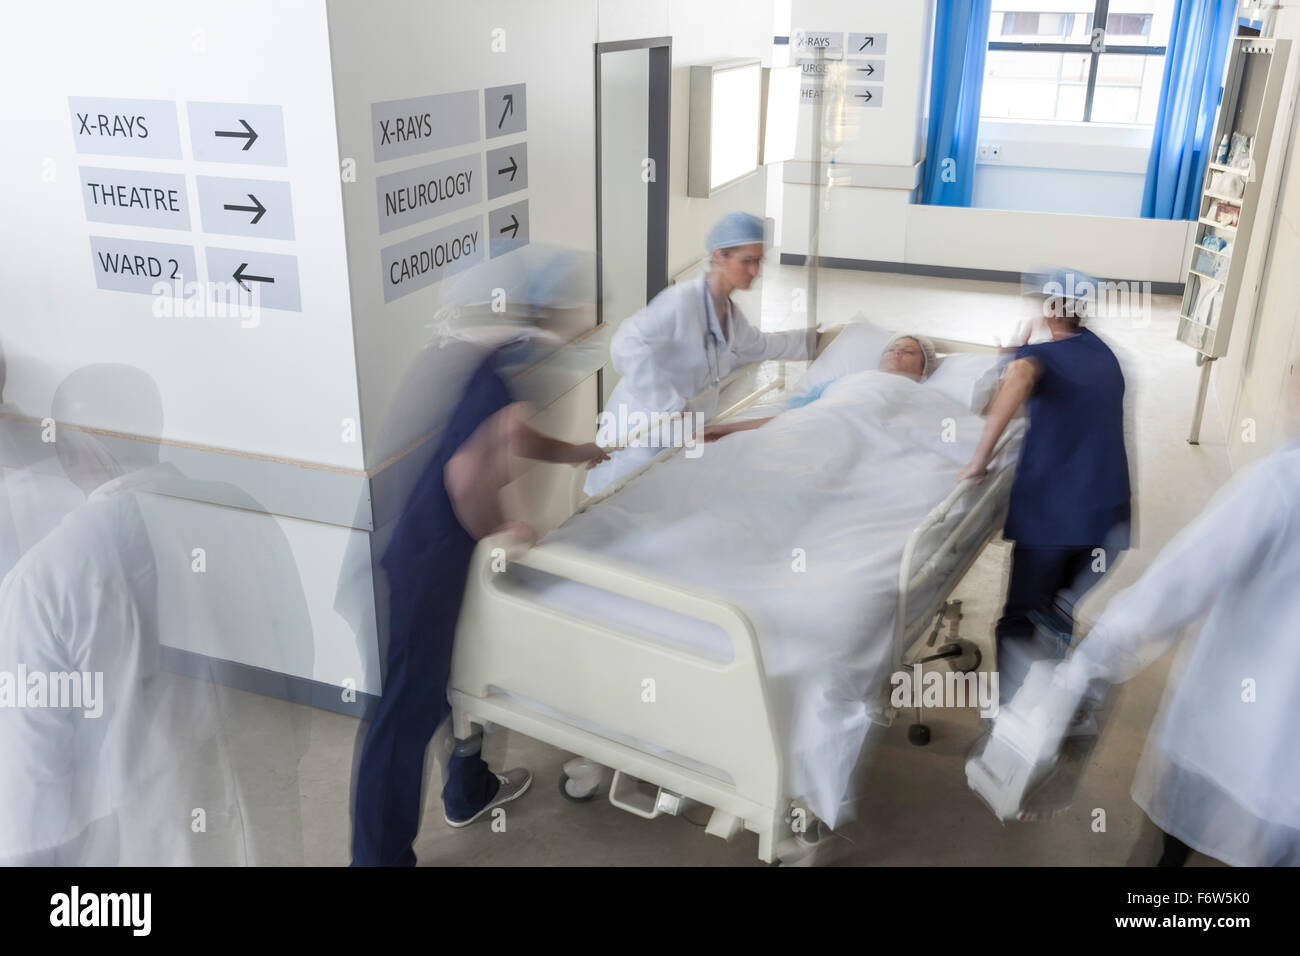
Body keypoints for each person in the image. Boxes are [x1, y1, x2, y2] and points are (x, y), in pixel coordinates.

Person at [350, 260, 609, 867]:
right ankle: (378, 861)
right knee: (403, 721)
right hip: (422, 570)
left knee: (451, 685)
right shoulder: (488, 378)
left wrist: (576, 452)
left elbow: (507, 437)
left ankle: (469, 790)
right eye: (550, 311)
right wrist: (503, 529)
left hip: (433, 562)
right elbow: (465, 474)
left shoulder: (474, 364)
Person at [957, 270, 1131, 703]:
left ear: (1050, 307)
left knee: (1019, 620)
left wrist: (977, 461)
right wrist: (1016, 356)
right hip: (1110, 521)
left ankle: (1012, 713)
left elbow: (1018, 383)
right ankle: (1055, 701)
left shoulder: (1037, 360)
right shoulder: (1104, 354)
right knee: (1056, 612)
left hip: (1054, 520)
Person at [584, 211, 819, 494]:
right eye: (747, 261)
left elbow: (760, 346)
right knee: (616, 506)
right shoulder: (681, 302)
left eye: (759, 261)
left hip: (677, 433)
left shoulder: (730, 314)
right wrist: (669, 402)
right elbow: (626, 344)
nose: (755, 271)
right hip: (640, 429)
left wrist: (811, 341)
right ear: (718, 255)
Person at [701, 333, 938, 442]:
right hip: (813, 436)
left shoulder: (921, 396)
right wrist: (727, 428)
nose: (897, 352)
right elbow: (797, 416)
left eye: (908, 351)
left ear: (924, 368)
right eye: (892, 349)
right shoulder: (846, 384)